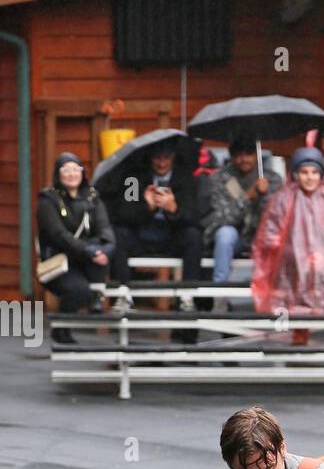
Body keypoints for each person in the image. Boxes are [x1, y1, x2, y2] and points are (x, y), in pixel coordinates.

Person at [251, 146, 324, 347]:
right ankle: (300, 329)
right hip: (292, 261)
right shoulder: (283, 198)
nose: (309, 177)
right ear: (296, 174)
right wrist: (291, 252)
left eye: (314, 172)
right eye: (304, 172)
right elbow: (270, 232)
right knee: (296, 286)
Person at [37, 152, 115, 341]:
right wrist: (87, 250)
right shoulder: (48, 200)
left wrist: (104, 249)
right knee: (78, 290)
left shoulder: (92, 197)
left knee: (104, 252)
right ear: (58, 174)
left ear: (82, 172)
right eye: (66, 170)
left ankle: (98, 297)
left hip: (87, 260)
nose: (71, 174)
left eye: (75, 169)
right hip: (60, 261)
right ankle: (61, 328)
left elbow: (105, 228)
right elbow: (58, 235)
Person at [108, 139, 203, 289]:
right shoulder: (133, 178)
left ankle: (188, 294)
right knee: (118, 233)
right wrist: (146, 207)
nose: (162, 164)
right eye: (157, 158)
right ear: (150, 157)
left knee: (193, 235)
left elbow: (194, 217)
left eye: (166, 158)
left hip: (171, 237)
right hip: (141, 235)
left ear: (173, 157)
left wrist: (173, 209)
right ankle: (122, 292)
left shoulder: (185, 178)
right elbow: (122, 214)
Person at [203, 135, 282, 289]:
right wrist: (248, 197)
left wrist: (264, 197)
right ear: (231, 157)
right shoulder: (220, 178)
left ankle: (273, 294)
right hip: (236, 237)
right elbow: (222, 219)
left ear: (256, 155)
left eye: (249, 154)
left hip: (262, 236)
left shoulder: (272, 179)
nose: (244, 159)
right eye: (238, 155)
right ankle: (220, 293)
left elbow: (276, 218)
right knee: (225, 234)